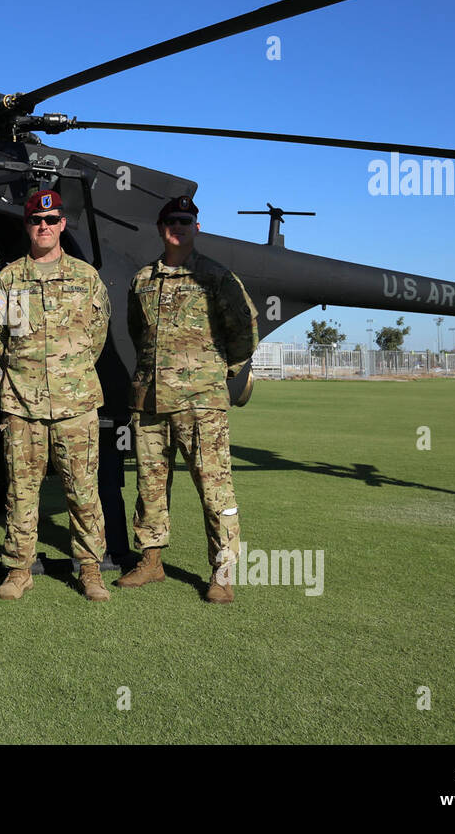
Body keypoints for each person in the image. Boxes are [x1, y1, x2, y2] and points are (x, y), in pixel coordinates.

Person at [119, 193, 258, 602]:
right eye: (170, 221)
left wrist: (215, 375)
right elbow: (136, 332)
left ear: (196, 228)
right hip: (149, 403)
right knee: (150, 486)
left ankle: (224, 571)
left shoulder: (216, 277)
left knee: (215, 489)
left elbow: (244, 334)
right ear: (161, 229)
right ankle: (151, 559)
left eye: (185, 221)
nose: (177, 227)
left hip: (201, 404)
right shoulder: (143, 279)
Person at [0, 190, 112, 602]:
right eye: (36, 220)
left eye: (52, 219)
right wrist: (27, 372)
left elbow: (97, 336)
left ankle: (90, 569)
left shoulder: (86, 277)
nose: (44, 226)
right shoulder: (7, 279)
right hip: (22, 403)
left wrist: (67, 371)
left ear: (62, 224)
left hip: (76, 403)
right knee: (22, 491)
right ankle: (19, 570)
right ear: (27, 225)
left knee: (82, 490)